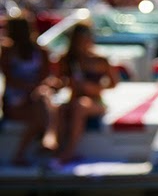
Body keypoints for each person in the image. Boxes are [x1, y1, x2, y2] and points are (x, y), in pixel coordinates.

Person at [53, 21, 117, 166]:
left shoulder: (100, 60)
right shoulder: (67, 60)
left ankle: (69, 151)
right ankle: (57, 149)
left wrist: (94, 88)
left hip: (95, 102)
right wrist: (68, 83)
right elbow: (59, 82)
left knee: (80, 106)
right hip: (74, 100)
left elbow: (113, 83)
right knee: (61, 109)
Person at [1, 12, 56, 164]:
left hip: (35, 97)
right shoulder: (7, 51)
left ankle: (21, 154)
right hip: (15, 101)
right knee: (43, 108)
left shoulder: (41, 51)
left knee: (43, 96)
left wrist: (33, 89)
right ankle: (49, 138)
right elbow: (10, 79)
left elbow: (44, 78)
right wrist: (29, 88)